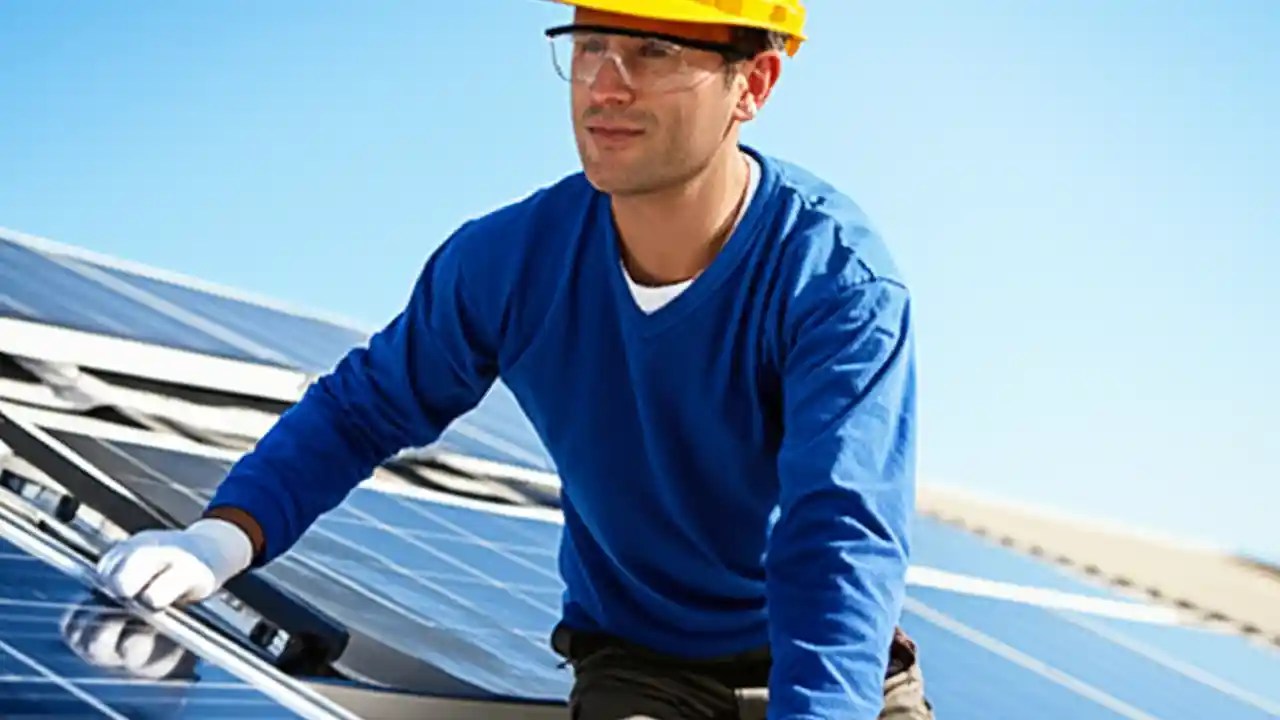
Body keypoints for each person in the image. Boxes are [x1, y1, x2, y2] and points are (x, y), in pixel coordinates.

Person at [92, 1, 931, 717]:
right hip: (645, 665)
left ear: (753, 83)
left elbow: (840, 536)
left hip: (831, 664)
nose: (606, 84)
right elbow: (361, 410)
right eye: (590, 46)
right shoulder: (509, 264)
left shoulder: (834, 284)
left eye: (656, 52)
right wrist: (222, 539)